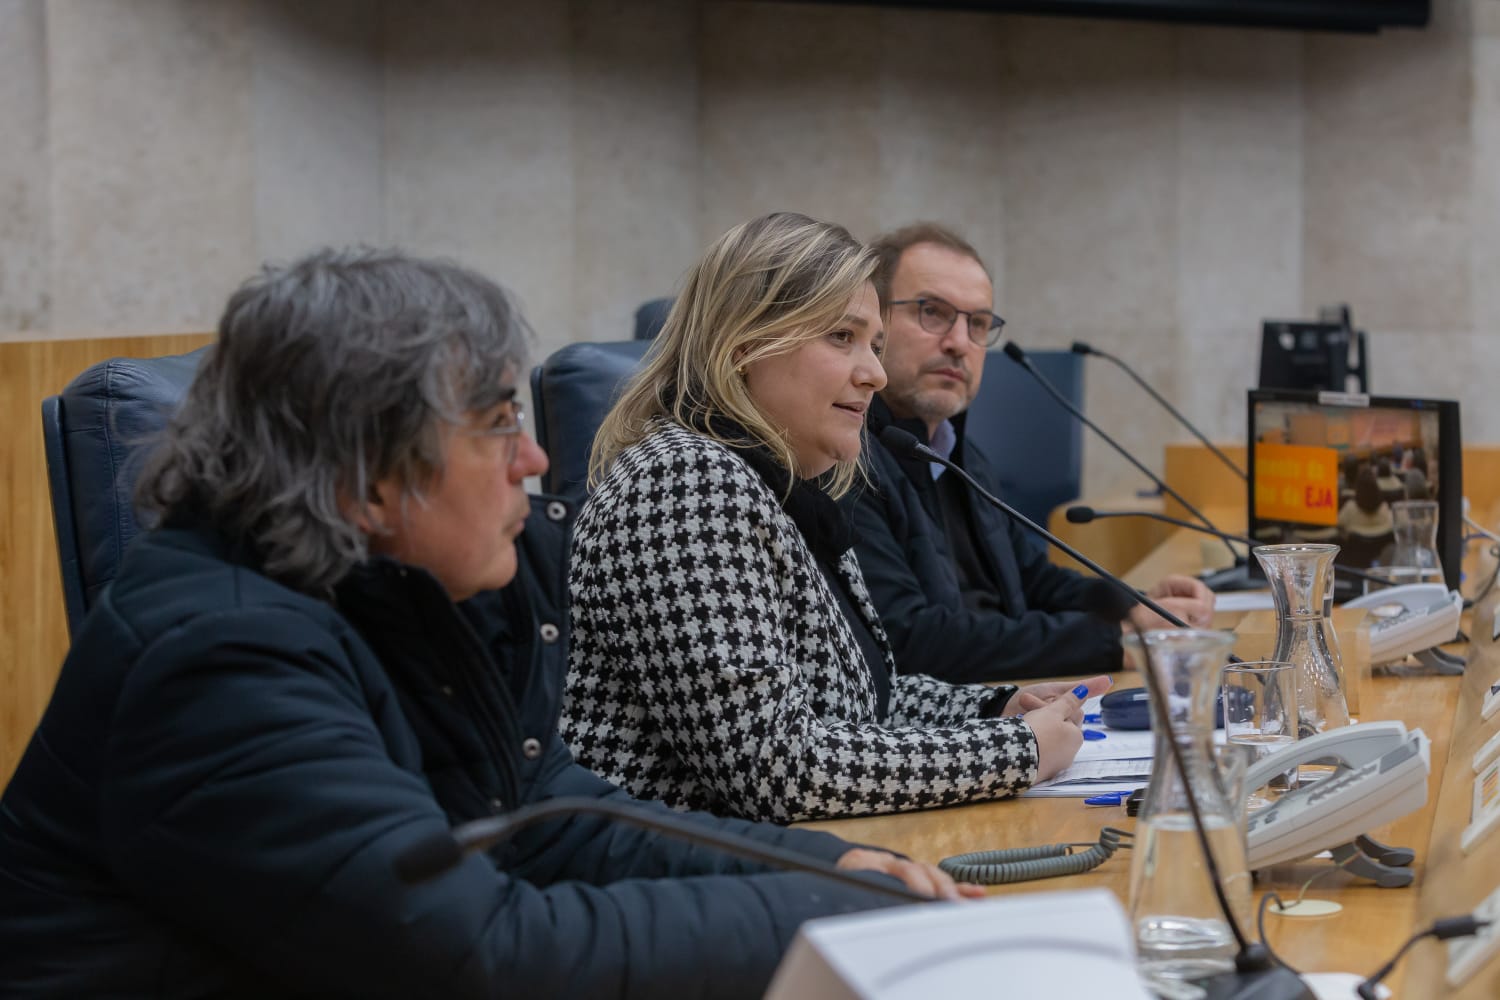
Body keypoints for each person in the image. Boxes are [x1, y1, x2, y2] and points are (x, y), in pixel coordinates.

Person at [0, 249, 972, 999]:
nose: (537, 459)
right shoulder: (220, 661)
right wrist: (820, 912)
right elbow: (480, 954)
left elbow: (544, 819)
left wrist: (824, 864)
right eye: (500, 421)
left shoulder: (391, 592)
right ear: (369, 467)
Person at [562, 213, 1110, 825]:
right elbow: (775, 767)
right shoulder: (684, 483)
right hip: (686, 858)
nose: (875, 373)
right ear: (744, 347)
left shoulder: (791, 482)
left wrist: (998, 709)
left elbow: (860, 702)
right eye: (841, 337)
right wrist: (1015, 749)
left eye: (874, 344)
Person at [847, 222, 1215, 685]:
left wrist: (1134, 606)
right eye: (933, 312)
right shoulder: (846, 463)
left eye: (977, 324)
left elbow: (1032, 580)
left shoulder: (960, 454)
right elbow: (911, 639)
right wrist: (1108, 640)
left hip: (1008, 695)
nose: (959, 342)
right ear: (875, 323)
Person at [1338, 464, 1394, 536]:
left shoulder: (1349, 509)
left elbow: (1338, 524)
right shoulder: (1384, 508)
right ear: (1377, 490)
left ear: (1357, 490)